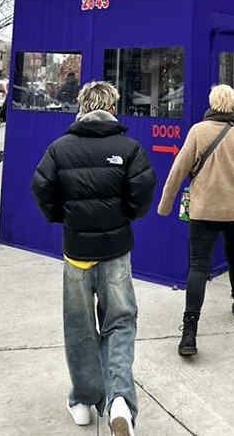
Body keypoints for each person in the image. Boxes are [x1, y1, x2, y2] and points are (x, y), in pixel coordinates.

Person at [31, 80, 156, 434]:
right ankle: (119, 400)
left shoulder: (59, 149)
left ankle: (84, 402)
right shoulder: (129, 147)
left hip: (77, 254)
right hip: (116, 252)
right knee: (120, 322)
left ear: (82, 107)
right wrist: (123, 215)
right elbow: (143, 190)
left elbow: (41, 189)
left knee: (80, 327)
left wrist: (65, 217)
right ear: (112, 107)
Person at [157, 84, 234, 356]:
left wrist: (165, 205)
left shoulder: (198, 132)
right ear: (233, 106)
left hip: (204, 212)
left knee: (198, 266)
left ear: (212, 104)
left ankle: (189, 331)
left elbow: (177, 170)